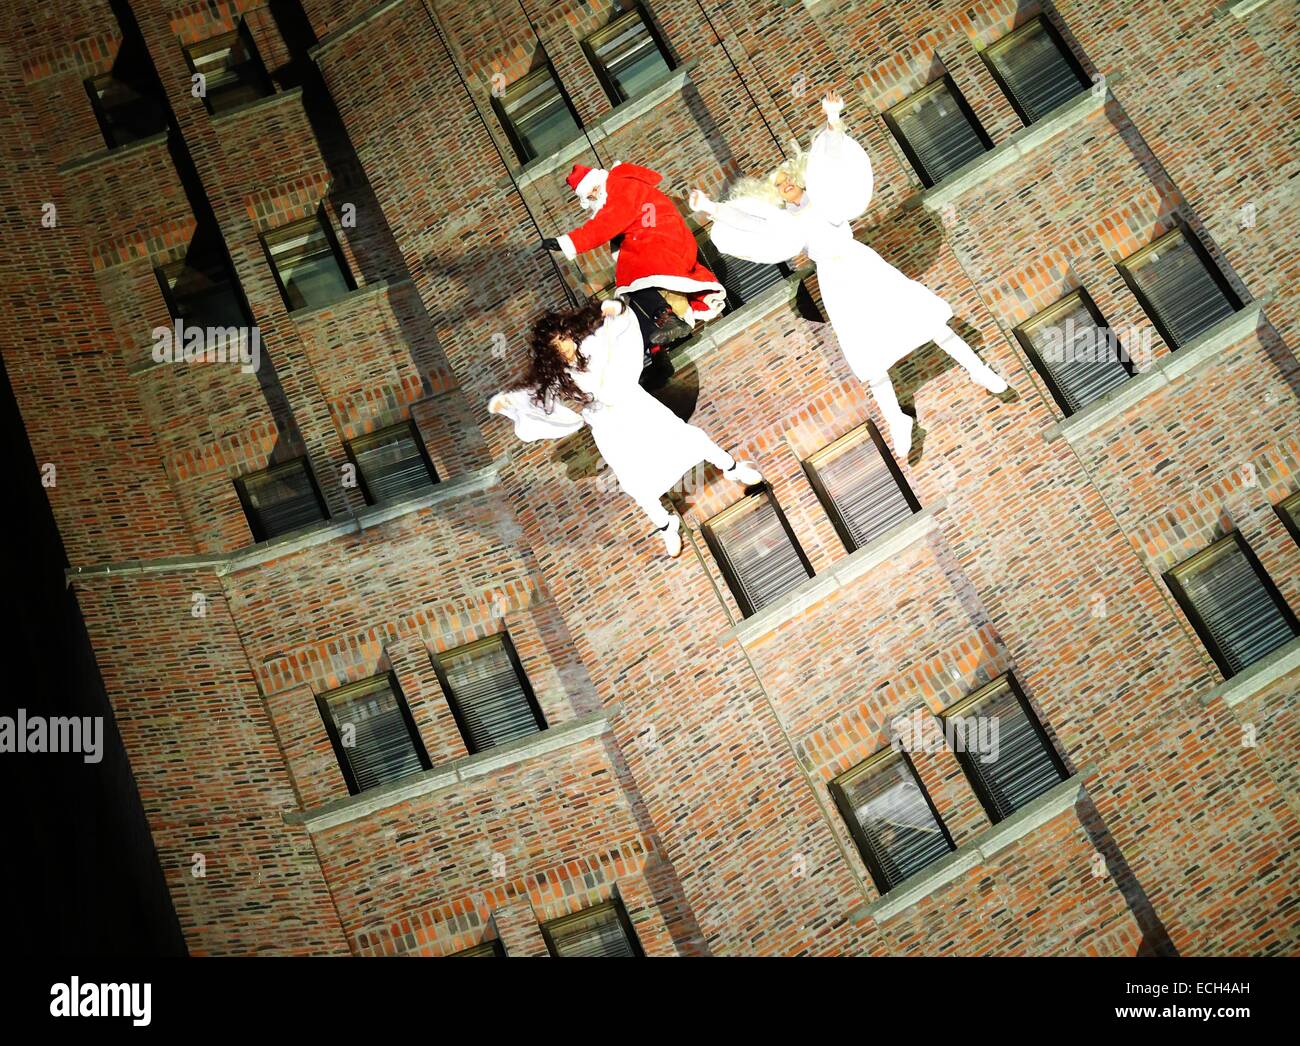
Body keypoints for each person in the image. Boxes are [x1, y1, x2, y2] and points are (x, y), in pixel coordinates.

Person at [689, 91, 1008, 454]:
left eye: (789, 178)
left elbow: (832, 158)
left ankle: (978, 369)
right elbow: (748, 220)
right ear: (773, 196)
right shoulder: (783, 223)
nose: (786, 185)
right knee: (864, 348)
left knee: (920, 315)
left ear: (800, 179)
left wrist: (833, 118)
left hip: (860, 262)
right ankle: (896, 419)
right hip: (834, 278)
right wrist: (712, 208)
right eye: (778, 185)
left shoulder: (825, 197)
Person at [489, 298, 761, 558]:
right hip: (607, 425)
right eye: (557, 343)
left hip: (633, 404)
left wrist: (613, 311)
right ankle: (666, 525)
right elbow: (535, 397)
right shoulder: (559, 376)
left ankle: (733, 468)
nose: (565, 344)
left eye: (564, 336)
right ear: (550, 351)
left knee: (685, 438)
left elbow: (617, 325)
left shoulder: (591, 344)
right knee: (634, 480)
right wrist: (509, 404)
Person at [542, 161, 727, 354]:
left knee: (632, 278)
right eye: (590, 196)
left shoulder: (620, 188)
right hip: (659, 243)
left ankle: (666, 318)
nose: (595, 196)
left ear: (600, 180)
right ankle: (657, 346)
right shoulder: (621, 188)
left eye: (595, 190)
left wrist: (568, 242)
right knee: (633, 295)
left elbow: (603, 226)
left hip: (659, 242)